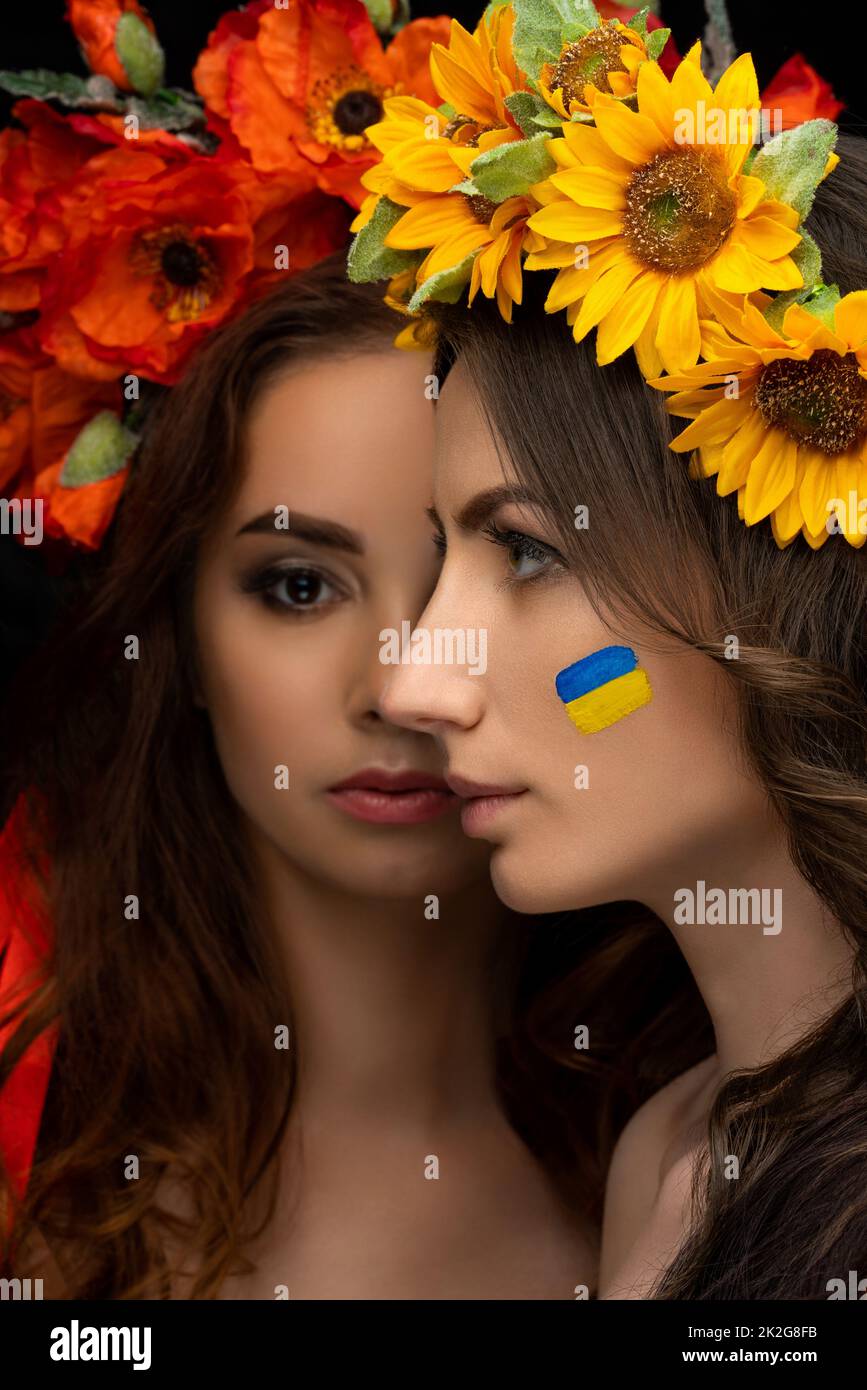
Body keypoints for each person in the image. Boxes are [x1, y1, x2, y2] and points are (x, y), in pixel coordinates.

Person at [0, 254, 598, 1299]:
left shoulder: (733, 1165)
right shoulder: (30, 1171)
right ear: (181, 635)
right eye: (299, 584)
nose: (398, 683)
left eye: (508, 564)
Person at [379, 127, 867, 1300]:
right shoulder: (668, 1154)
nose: (412, 686)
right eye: (446, 551)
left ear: (786, 575)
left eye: (529, 552)